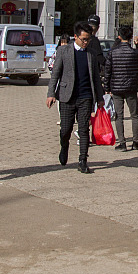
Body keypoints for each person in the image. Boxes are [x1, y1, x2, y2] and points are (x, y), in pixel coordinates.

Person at [46, 21, 104, 174]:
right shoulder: (64, 51)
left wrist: (99, 98)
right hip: (67, 97)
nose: (86, 42)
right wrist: (51, 94)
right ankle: (64, 147)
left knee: (84, 129)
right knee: (66, 129)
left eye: (88, 39)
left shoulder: (91, 54)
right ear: (75, 37)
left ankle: (83, 160)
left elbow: (96, 78)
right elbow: (55, 75)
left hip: (85, 97)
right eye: (83, 39)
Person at [104, 24, 138, 151]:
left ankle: (122, 143)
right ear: (130, 38)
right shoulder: (134, 52)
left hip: (116, 88)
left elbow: (107, 71)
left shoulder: (112, 53)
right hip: (131, 88)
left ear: (119, 36)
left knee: (119, 116)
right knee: (134, 114)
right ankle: (136, 141)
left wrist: (107, 87)